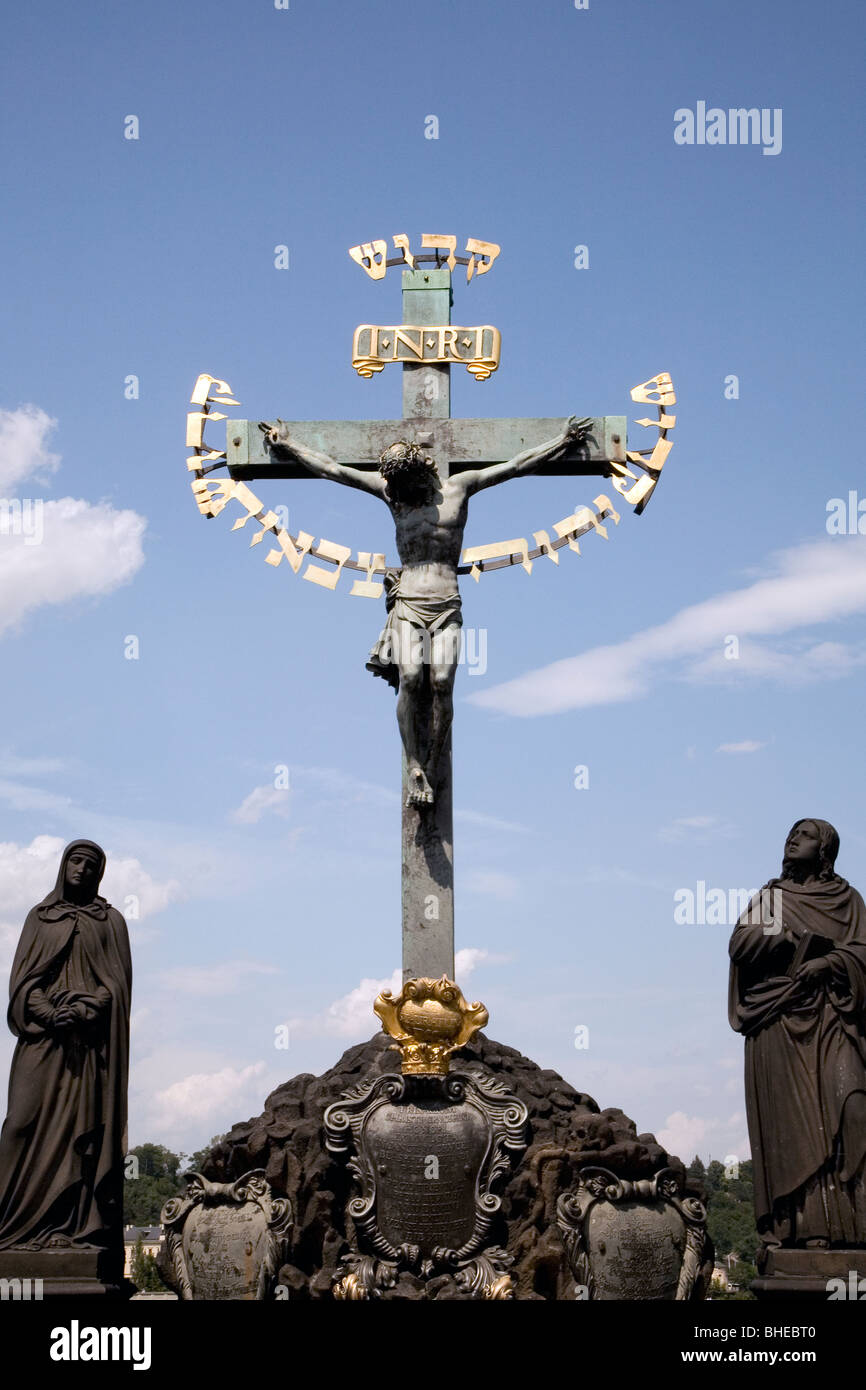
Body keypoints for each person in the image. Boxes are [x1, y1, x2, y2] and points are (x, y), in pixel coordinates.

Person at [261, 418, 591, 806]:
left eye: (409, 485)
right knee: (412, 678)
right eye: (396, 488)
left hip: (447, 601)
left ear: (424, 470)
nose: (402, 494)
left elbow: (517, 465)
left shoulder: (460, 488)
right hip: (409, 602)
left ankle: (433, 765)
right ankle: (414, 765)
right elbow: (335, 470)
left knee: (441, 683)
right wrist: (289, 445)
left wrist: (562, 441)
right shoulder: (393, 494)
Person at [728, 819, 866, 1252]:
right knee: (795, 1131)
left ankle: (857, 1224)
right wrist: (786, 937)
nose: (792, 839)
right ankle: (807, 1231)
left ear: (824, 850)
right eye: (791, 834)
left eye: (804, 835)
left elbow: (864, 951)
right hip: (780, 1020)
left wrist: (829, 963)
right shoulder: (772, 897)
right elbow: (739, 944)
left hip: (832, 1017)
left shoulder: (848, 900)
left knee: (855, 1107)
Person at [0, 840, 131, 1269]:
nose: (82, 869)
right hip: (42, 1041)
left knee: (83, 1139)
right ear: (63, 866)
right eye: (76, 861)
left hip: (87, 1050)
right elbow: (22, 982)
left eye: (91, 865)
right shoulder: (40, 919)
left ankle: (70, 1231)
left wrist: (86, 1006)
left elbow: (117, 987)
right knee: (19, 1124)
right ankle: (12, 1228)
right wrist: (49, 1011)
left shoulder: (110, 922)